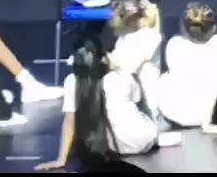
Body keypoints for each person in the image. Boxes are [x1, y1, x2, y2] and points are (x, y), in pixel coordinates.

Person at [38, 34, 165, 170]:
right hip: (142, 140)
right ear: (103, 56)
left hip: (111, 146)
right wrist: (118, 67)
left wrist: (61, 159)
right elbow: (138, 98)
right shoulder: (118, 77)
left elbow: (70, 122)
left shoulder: (72, 81)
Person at [143, 2, 217, 134]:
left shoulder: (175, 43)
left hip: (174, 112)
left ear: (183, 27)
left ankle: (152, 115)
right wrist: (207, 123)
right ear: (213, 27)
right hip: (207, 115)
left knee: (155, 73)